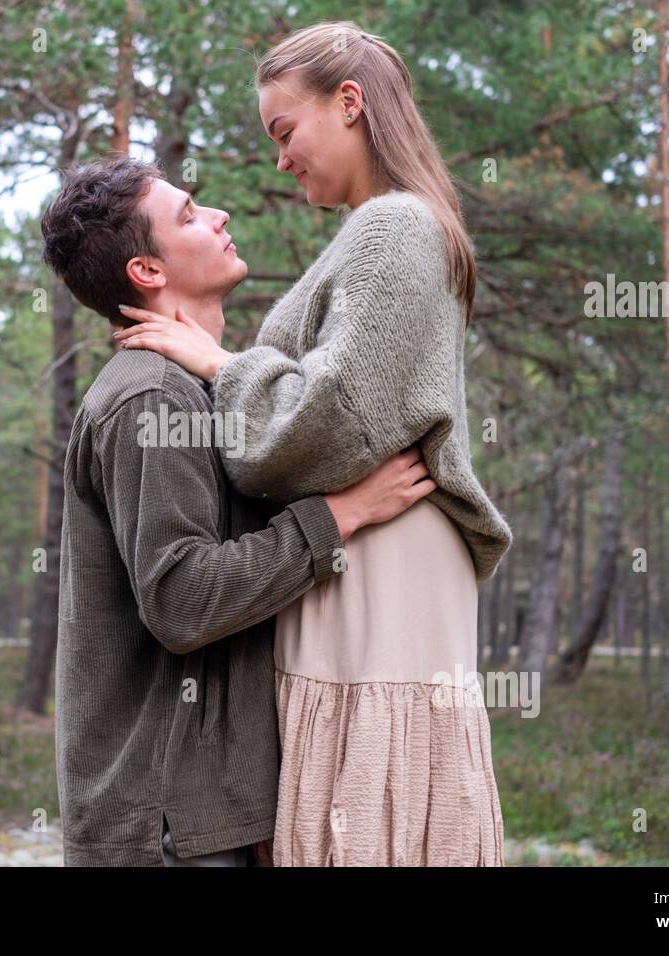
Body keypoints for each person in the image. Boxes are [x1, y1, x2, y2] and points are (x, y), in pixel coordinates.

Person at [114, 21, 514, 865]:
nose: (281, 158)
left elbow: (318, 429)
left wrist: (222, 364)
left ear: (350, 103)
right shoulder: (382, 228)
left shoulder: (395, 227)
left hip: (382, 561)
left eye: (284, 131)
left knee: (368, 826)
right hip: (364, 554)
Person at [41, 155, 437, 866]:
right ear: (148, 272)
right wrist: (338, 515)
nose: (218, 216)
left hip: (195, 817)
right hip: (166, 827)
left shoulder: (191, 389)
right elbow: (183, 600)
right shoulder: (151, 398)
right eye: (189, 215)